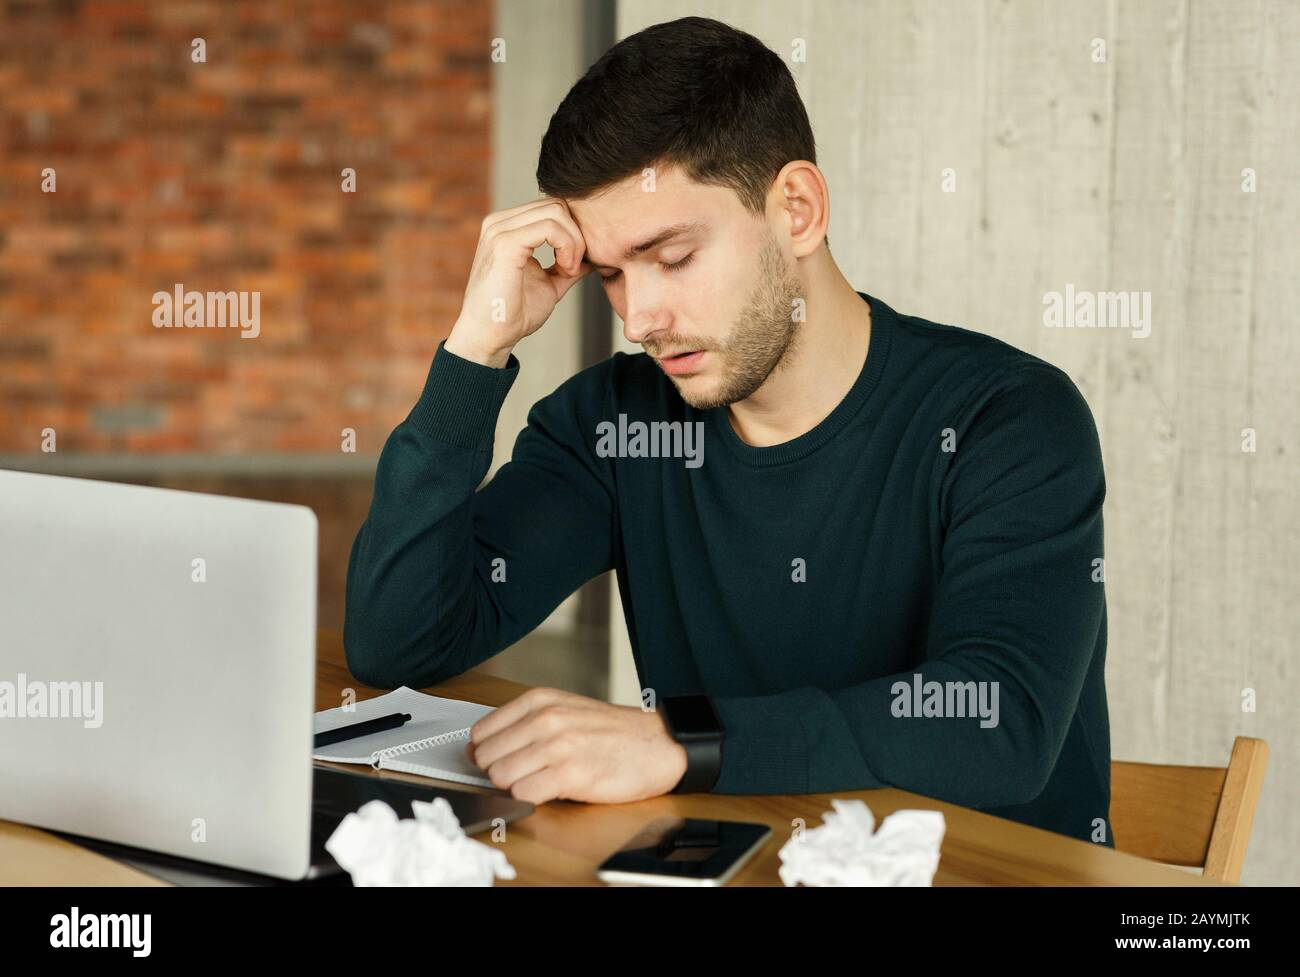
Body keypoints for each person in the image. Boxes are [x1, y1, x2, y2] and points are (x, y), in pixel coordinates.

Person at [344, 16, 1112, 846]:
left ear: (798, 210)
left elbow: (998, 720)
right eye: (609, 275)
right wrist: (475, 350)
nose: (641, 318)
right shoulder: (618, 425)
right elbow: (400, 643)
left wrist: (680, 740)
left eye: (671, 257)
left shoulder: (1009, 419)